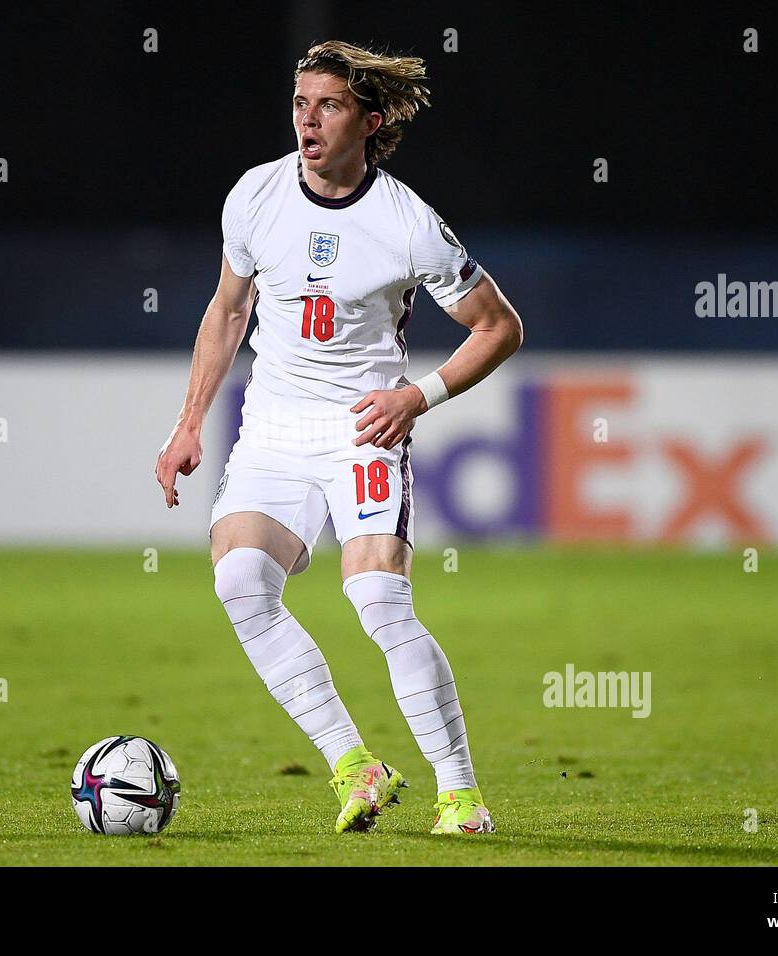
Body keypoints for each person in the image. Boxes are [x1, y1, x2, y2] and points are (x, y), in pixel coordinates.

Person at [155, 40, 523, 834]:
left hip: (363, 429)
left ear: (370, 120)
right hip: (275, 428)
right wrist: (189, 423)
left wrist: (416, 397)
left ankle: (461, 796)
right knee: (240, 583)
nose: (307, 120)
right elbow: (227, 312)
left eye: (327, 105)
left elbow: (499, 326)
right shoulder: (254, 197)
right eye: (299, 103)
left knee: (378, 600)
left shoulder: (407, 223)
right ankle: (356, 767)